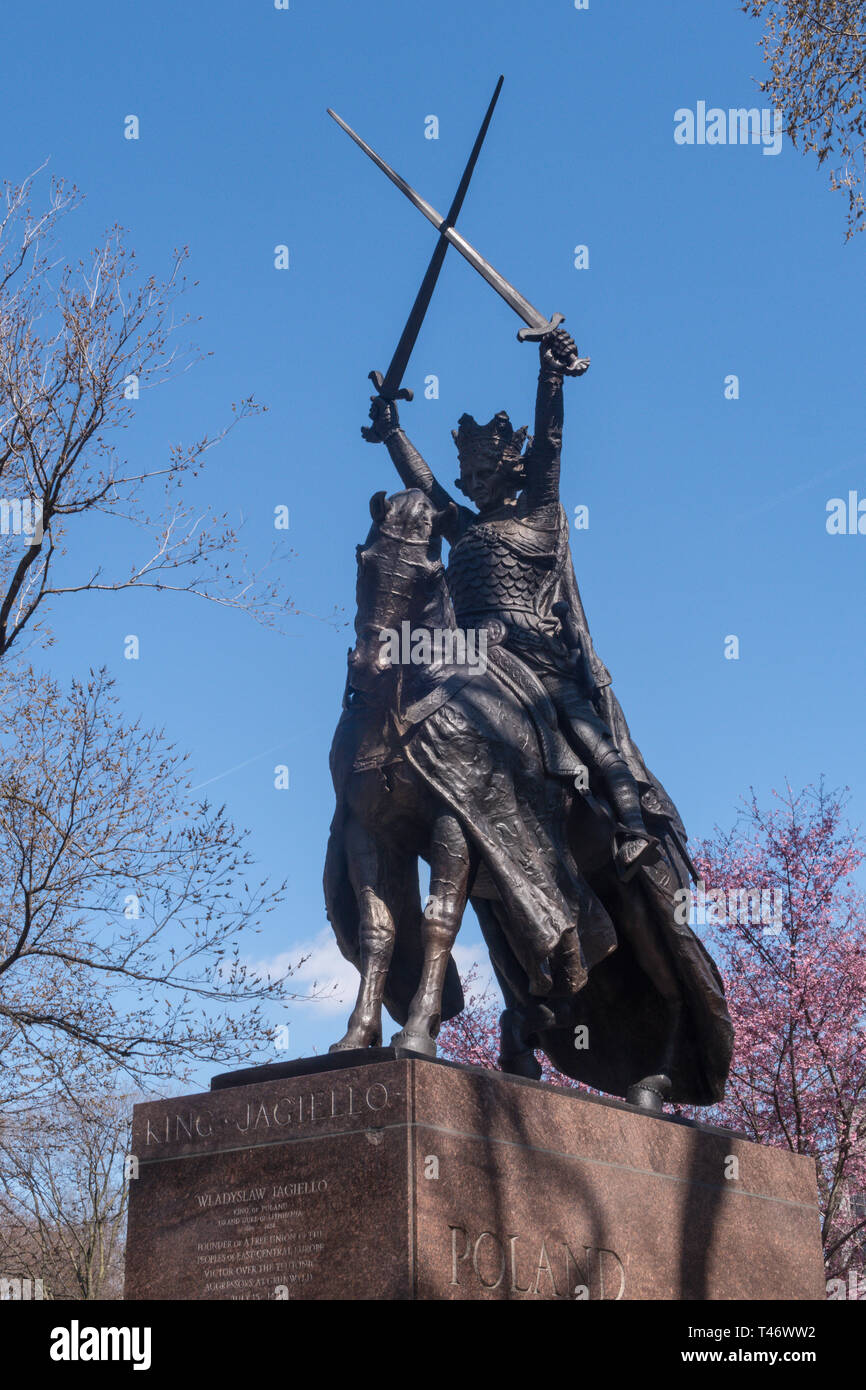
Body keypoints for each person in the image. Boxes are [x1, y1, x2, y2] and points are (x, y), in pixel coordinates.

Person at [362, 327, 657, 881]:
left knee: (587, 733)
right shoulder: (466, 528)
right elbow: (430, 490)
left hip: (532, 651)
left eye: (483, 473)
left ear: (509, 469)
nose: (472, 484)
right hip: (470, 649)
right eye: (467, 476)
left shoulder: (539, 513)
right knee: (398, 663)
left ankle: (631, 825)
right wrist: (393, 435)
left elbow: (550, 445)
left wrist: (550, 375)